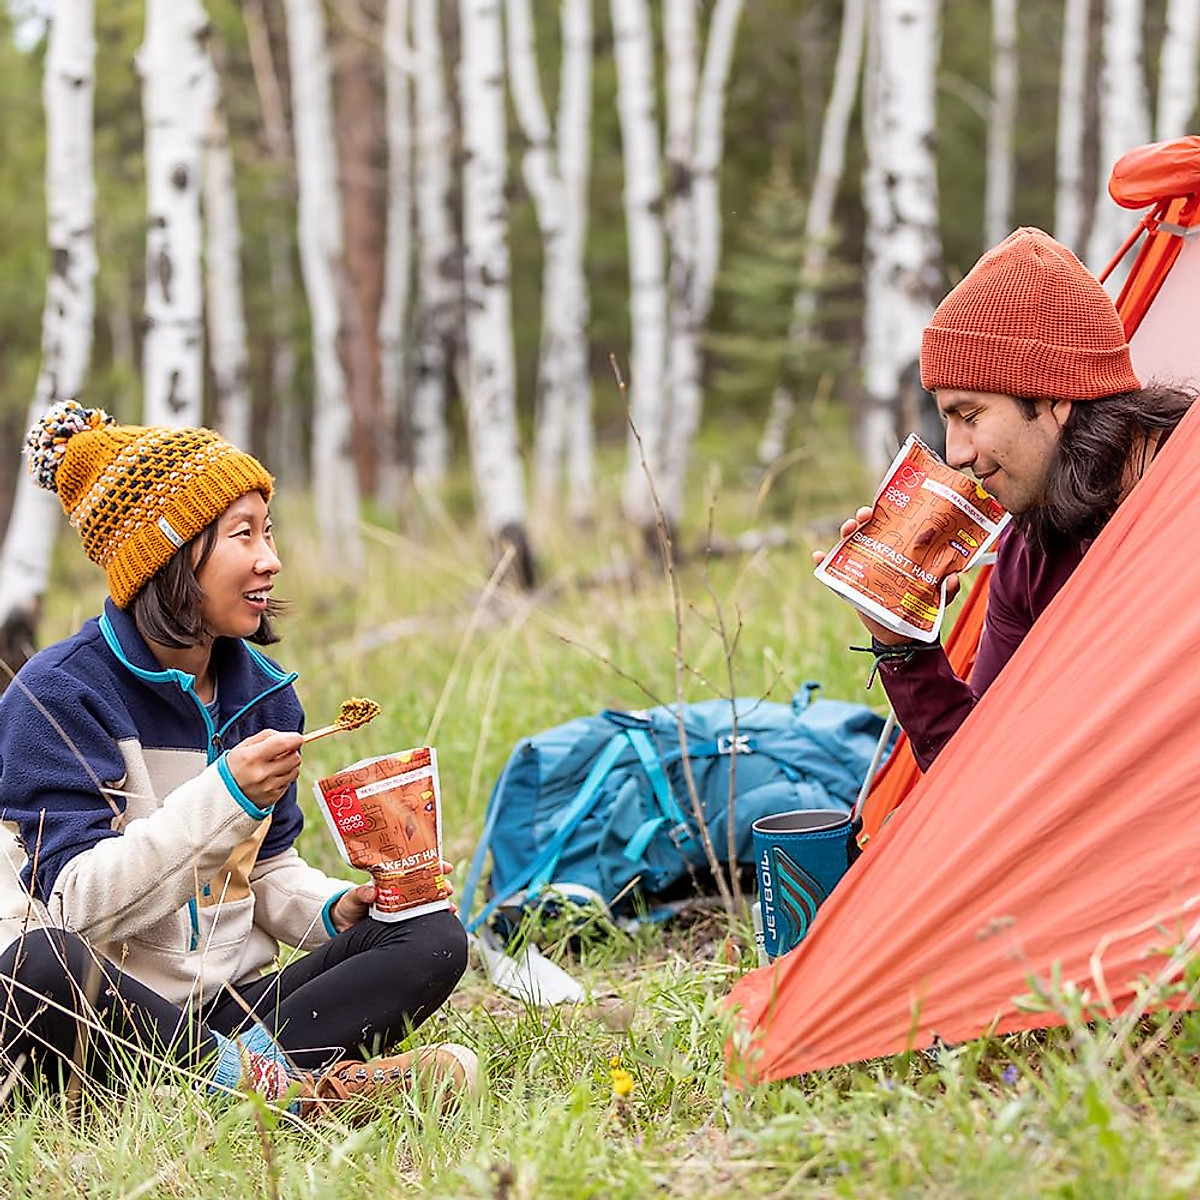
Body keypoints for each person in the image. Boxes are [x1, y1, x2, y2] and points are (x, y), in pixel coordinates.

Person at [0, 401, 474, 1120]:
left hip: (229, 1011)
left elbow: (268, 870)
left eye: (268, 530)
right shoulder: (57, 695)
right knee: (38, 964)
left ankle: (230, 1086)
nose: (270, 559)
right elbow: (74, 908)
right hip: (101, 1011)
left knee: (431, 936)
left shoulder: (265, 696)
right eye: (242, 534)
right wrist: (224, 796)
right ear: (168, 554)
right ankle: (292, 1091)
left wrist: (334, 909)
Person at [819, 227, 1194, 771]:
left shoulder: (1184, 490)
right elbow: (980, 777)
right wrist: (902, 645)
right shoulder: (1031, 552)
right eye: (948, 420)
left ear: (1056, 396)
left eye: (970, 415)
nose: (956, 453)